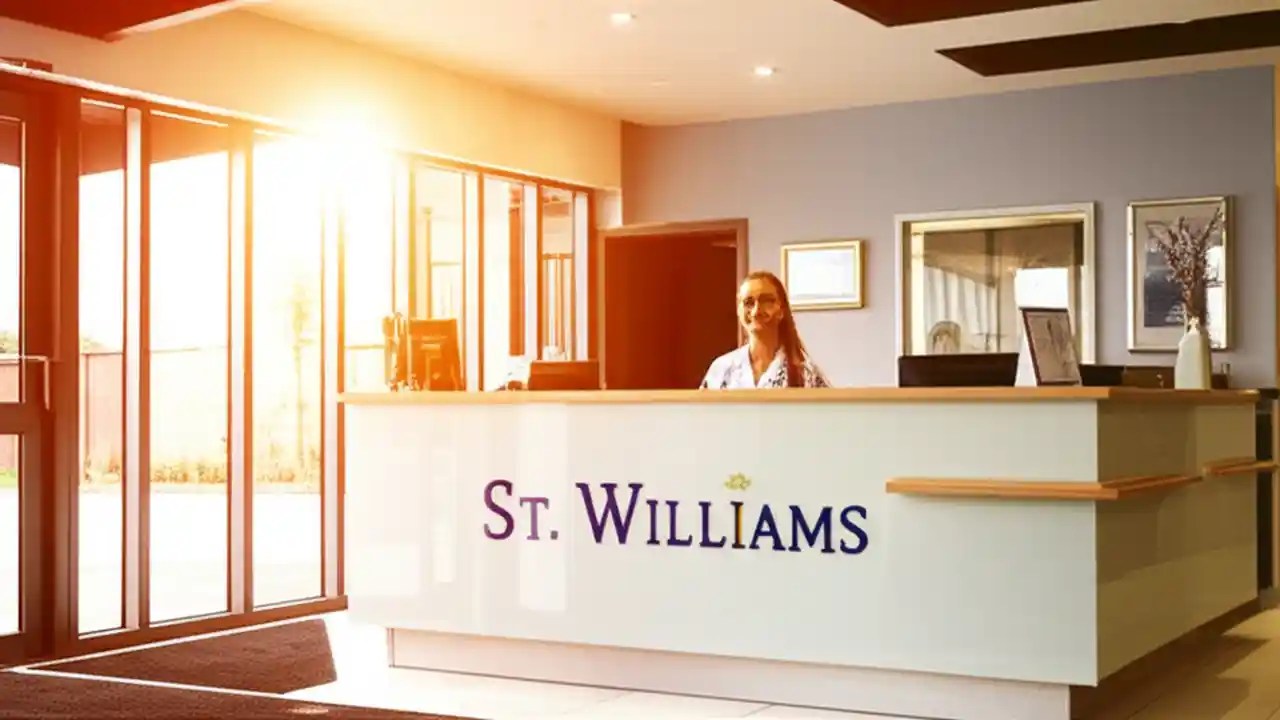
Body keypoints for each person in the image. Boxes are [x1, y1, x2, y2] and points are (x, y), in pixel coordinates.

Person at [700, 270, 831, 389]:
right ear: (738, 311)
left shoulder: (805, 372)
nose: (756, 311)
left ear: (782, 310)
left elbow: (829, 413)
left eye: (766, 301)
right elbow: (702, 413)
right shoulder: (721, 369)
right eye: (748, 302)